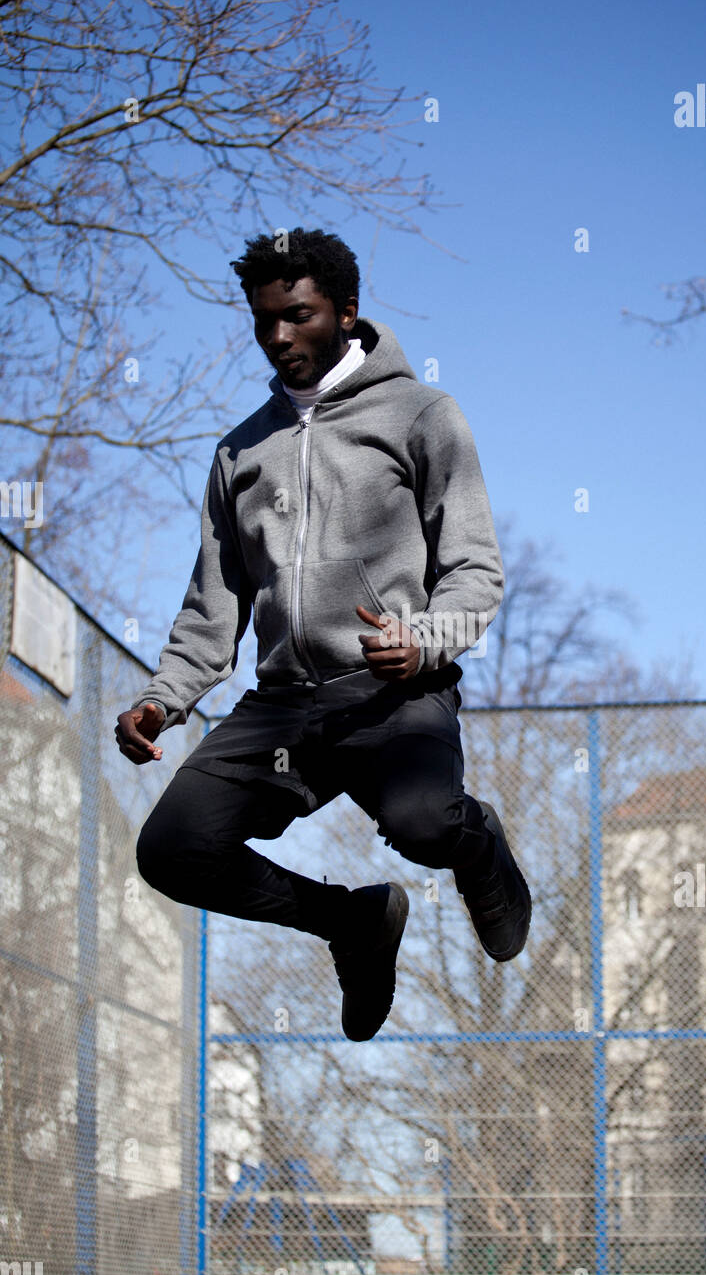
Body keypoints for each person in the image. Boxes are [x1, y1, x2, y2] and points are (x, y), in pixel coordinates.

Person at [116, 227, 531, 1041]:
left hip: (393, 694)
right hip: (284, 710)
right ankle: (352, 924)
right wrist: (163, 700)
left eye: (297, 316)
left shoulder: (422, 416)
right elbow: (215, 604)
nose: (278, 337)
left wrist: (424, 639)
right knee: (170, 849)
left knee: (423, 825)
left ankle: (478, 844)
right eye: (264, 319)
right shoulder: (240, 451)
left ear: (345, 312)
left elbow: (476, 570)